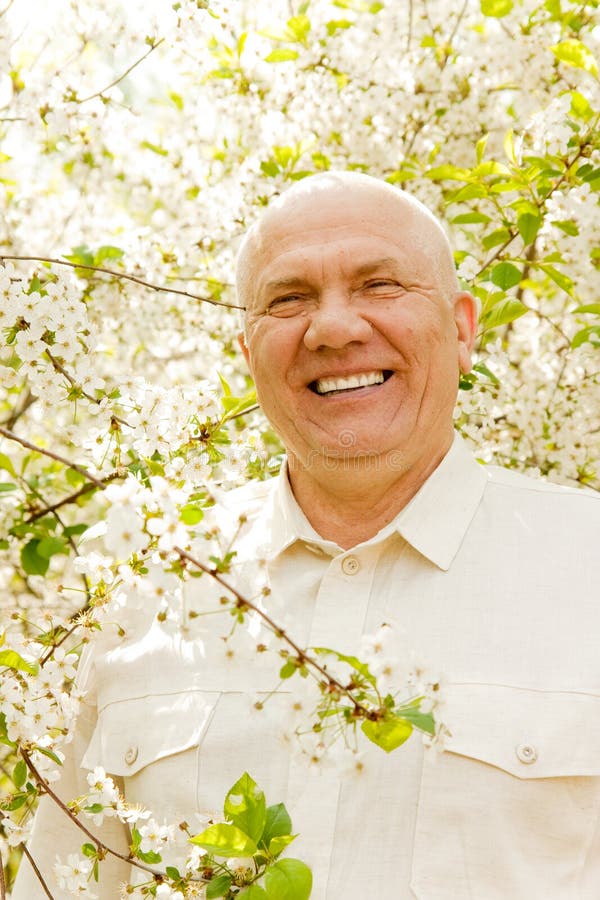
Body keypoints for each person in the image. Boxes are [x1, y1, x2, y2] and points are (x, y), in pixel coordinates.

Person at [14, 172, 600, 899]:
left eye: (380, 285)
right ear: (246, 351)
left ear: (462, 328)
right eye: (288, 299)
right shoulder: (146, 594)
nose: (333, 329)